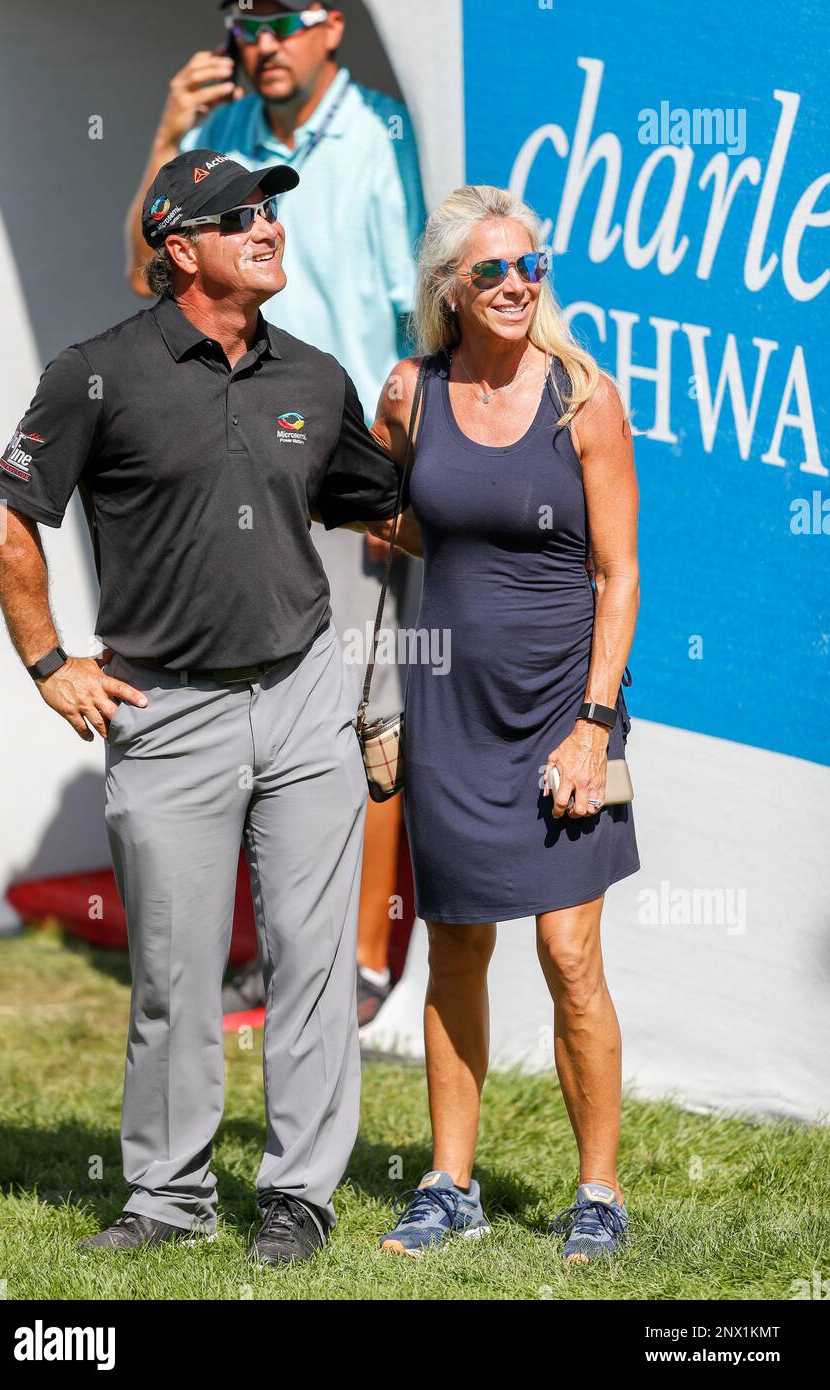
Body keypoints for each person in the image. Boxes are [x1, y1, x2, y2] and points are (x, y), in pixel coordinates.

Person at [0, 151, 407, 1266]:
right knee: (172, 975)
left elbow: (390, 510)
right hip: (164, 711)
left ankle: (299, 1198)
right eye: (242, 216)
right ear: (180, 247)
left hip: (304, 694)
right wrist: (48, 663)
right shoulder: (94, 374)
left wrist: (495, 462)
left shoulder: (315, 379)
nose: (267, 227)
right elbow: (8, 515)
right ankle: (167, 1197)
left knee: (310, 960)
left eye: (271, 212)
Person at [125, 0, 426, 1026]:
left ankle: (363, 963)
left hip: (341, 477)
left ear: (333, 26)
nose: (262, 41)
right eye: (242, 23)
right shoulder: (216, 139)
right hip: (226, 476)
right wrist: (168, 135)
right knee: (247, 724)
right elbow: (141, 274)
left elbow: (414, 313)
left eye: (284, 20)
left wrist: (390, 479)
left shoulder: (384, 134)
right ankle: (285, 958)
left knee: (361, 719)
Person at [368, 185, 641, 1262]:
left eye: (530, 264)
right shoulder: (409, 394)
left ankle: (598, 1193)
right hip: (447, 706)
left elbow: (618, 578)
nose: (518, 282)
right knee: (455, 947)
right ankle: (448, 1183)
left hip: (563, 708)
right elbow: (394, 528)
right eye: (493, 269)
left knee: (569, 951)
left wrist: (591, 724)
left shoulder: (584, 400)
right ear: (449, 288)